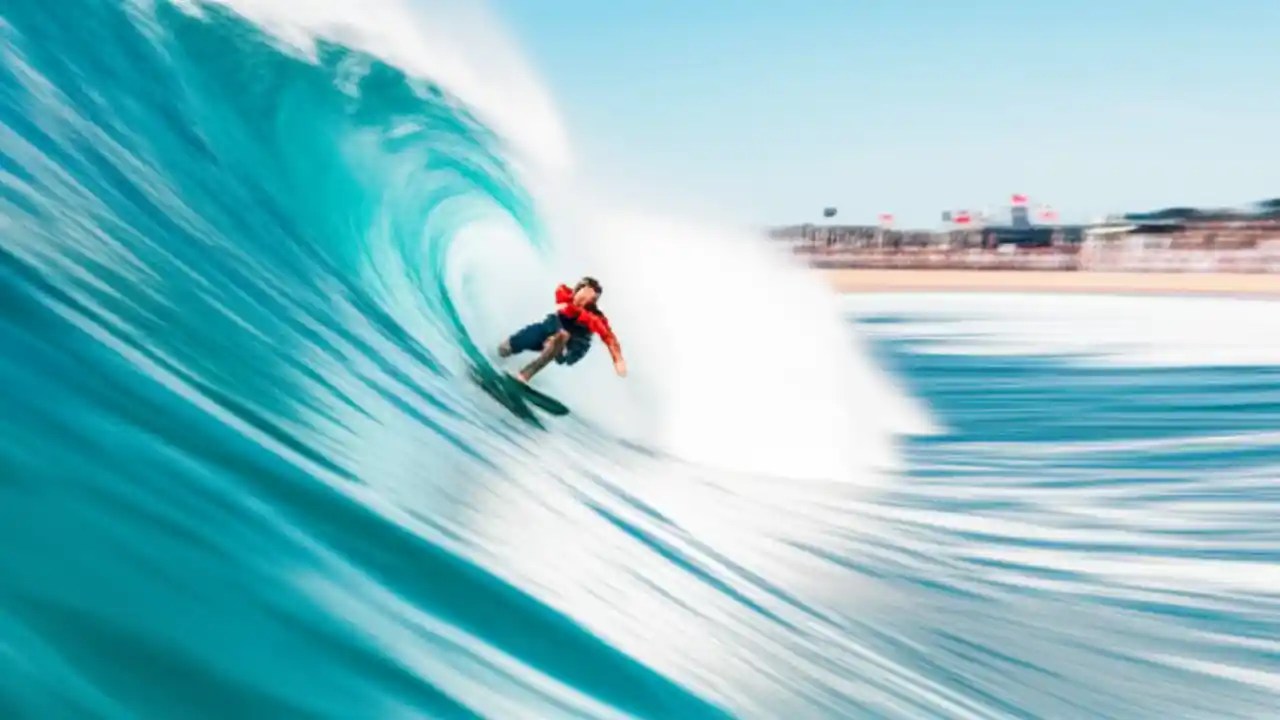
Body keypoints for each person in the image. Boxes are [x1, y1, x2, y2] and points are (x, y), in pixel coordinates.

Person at [498, 277, 627, 382]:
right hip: (550, 326)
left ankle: (525, 374)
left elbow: (609, 338)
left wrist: (618, 360)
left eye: (591, 300)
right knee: (505, 348)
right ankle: (504, 354)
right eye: (583, 295)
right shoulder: (567, 293)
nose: (584, 301)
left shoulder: (595, 318)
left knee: (561, 337)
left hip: (574, 345)